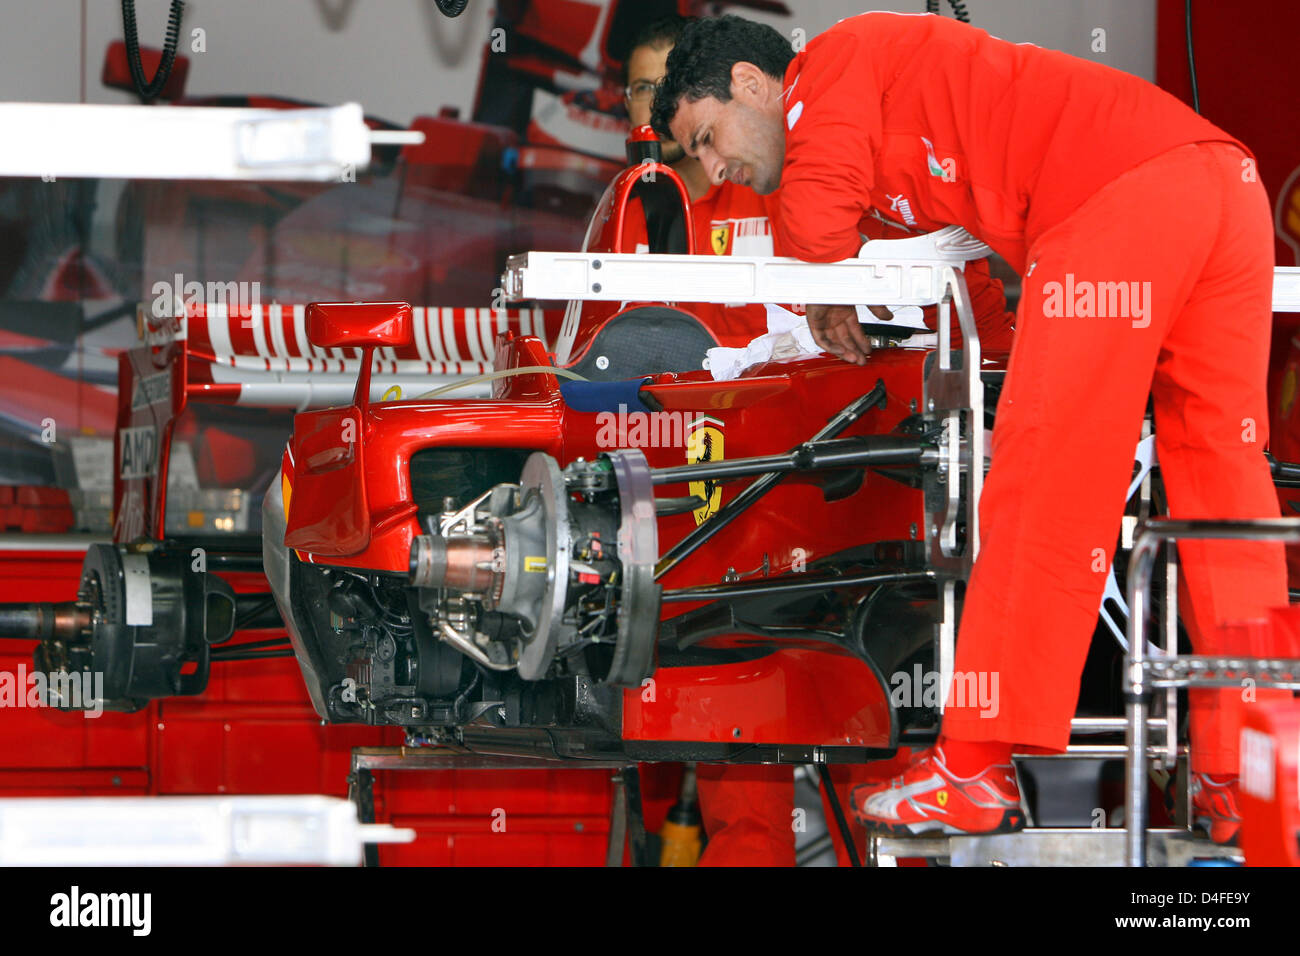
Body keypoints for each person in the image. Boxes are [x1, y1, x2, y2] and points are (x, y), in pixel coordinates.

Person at [652, 11, 1288, 844]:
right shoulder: (893, 108)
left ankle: (976, 762)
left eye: (705, 137)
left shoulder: (831, 68)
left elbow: (814, 218)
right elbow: (943, 258)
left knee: (1047, 477)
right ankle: (1244, 771)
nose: (712, 164)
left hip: (1115, 194)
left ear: (750, 82)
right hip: (1222, 182)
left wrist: (825, 289)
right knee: (1222, 487)